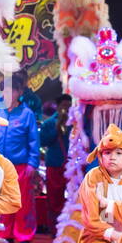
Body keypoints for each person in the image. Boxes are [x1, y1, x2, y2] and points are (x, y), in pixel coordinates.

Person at [0, 71, 40, 243]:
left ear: (19, 93)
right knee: (1, 200)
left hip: (20, 165)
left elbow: (34, 141)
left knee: (23, 203)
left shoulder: (26, 114)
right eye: (5, 91)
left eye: (12, 91)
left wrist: (32, 163)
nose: (8, 95)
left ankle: (24, 235)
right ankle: (3, 234)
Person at [41, 94, 72, 231]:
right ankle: (54, 228)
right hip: (54, 163)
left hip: (71, 165)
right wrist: (57, 128)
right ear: (58, 107)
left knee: (72, 196)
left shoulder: (75, 122)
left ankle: (69, 226)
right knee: (54, 197)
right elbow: (43, 141)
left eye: (68, 106)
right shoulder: (48, 123)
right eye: (63, 106)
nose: (66, 109)